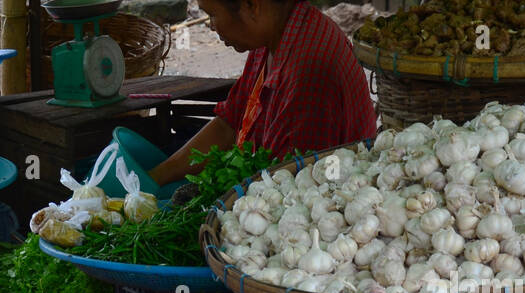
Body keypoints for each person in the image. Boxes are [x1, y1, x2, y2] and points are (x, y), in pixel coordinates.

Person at [149, 0, 377, 185]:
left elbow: (294, 186)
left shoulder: (309, 73)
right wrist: (155, 177)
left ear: (252, 6)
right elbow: (229, 123)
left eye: (213, 15)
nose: (211, 26)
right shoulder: (272, 37)